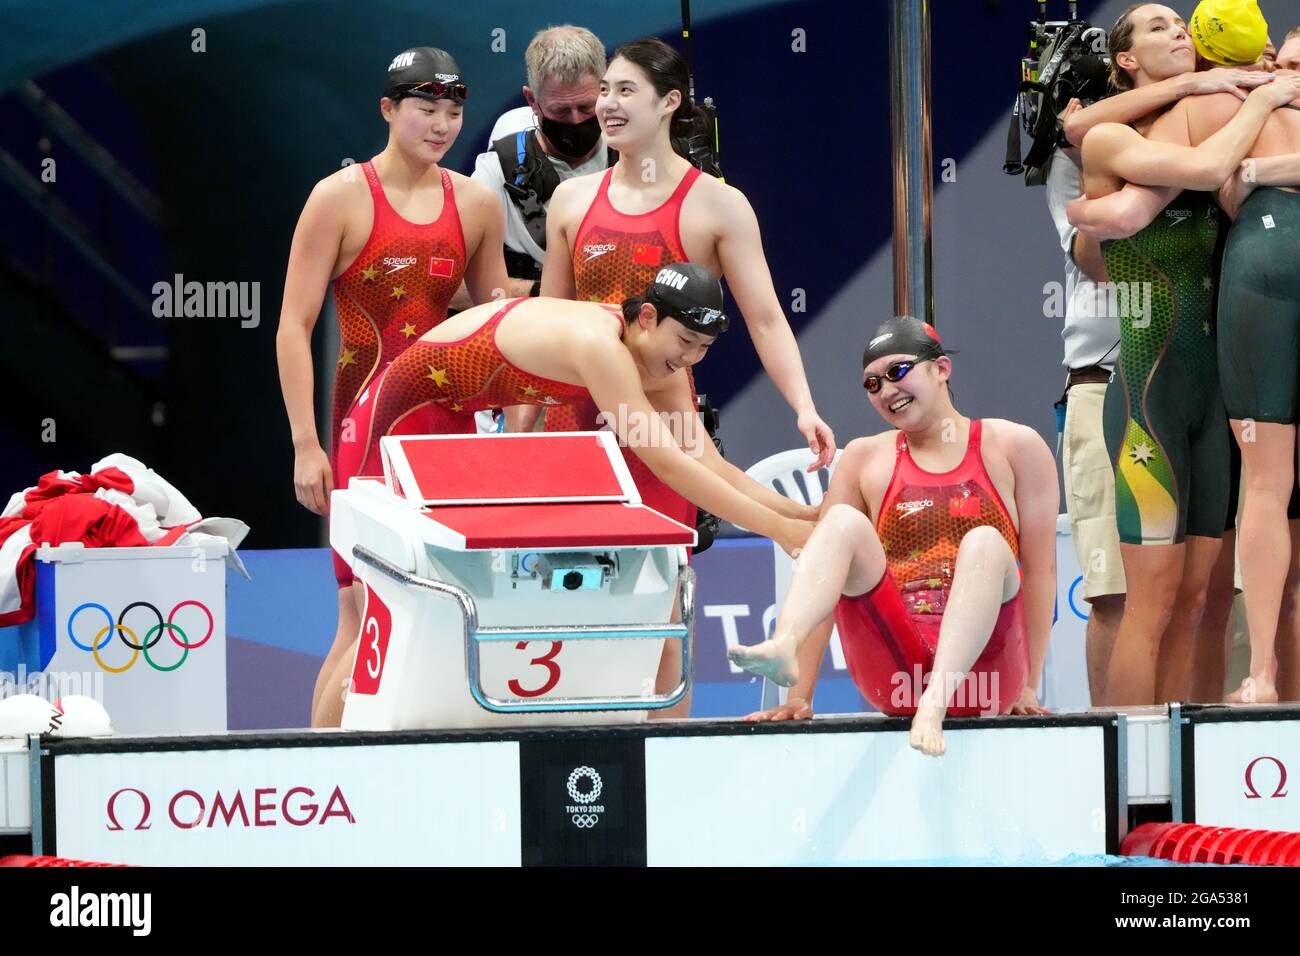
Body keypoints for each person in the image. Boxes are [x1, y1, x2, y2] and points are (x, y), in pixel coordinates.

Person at [318, 264, 819, 727]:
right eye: (685, 341)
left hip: (449, 418)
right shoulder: (598, 346)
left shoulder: (660, 362)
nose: (689, 358)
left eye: (703, 348)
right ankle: (322, 762)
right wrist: (781, 532)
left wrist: (800, 514)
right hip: (396, 414)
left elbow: (704, 460)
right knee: (371, 610)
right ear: (647, 317)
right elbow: (666, 462)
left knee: (410, 609)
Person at [1067, 3, 1299, 705]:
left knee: (1207, 603)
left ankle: (1193, 766)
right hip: (1149, 394)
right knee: (1153, 603)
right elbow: (1144, 202)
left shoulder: (1218, 109)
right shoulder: (1110, 134)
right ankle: (1137, 782)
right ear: (1127, 62)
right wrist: (1260, 96)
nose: (1178, 34)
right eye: (1159, 28)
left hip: (1216, 394)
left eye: (1182, 25)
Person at [275, 47, 509, 726]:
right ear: (388, 109)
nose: (441, 124)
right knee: (360, 618)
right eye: (425, 109)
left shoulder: (474, 203)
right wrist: (305, 444)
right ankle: (326, 785)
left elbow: (499, 324)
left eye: (453, 111)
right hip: (366, 436)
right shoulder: (339, 198)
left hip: (449, 437)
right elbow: (293, 325)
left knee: (441, 614)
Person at [728, 317, 1058, 756]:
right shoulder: (864, 459)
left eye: (898, 371)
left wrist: (1029, 686)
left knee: (984, 542)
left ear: (942, 369)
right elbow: (828, 574)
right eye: (872, 383)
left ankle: (935, 705)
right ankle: (784, 643)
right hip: (898, 675)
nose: (886, 391)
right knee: (840, 523)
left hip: (988, 676)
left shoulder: (1015, 446)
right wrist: (799, 697)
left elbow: (1040, 573)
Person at [540, 37, 836, 490]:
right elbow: (545, 324)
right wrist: (522, 430)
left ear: (669, 101)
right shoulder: (570, 199)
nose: (607, 105)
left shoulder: (720, 206)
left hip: (667, 422)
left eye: (625, 90)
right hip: (572, 421)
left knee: (663, 560)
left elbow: (766, 321)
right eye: (604, 90)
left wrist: (804, 406)